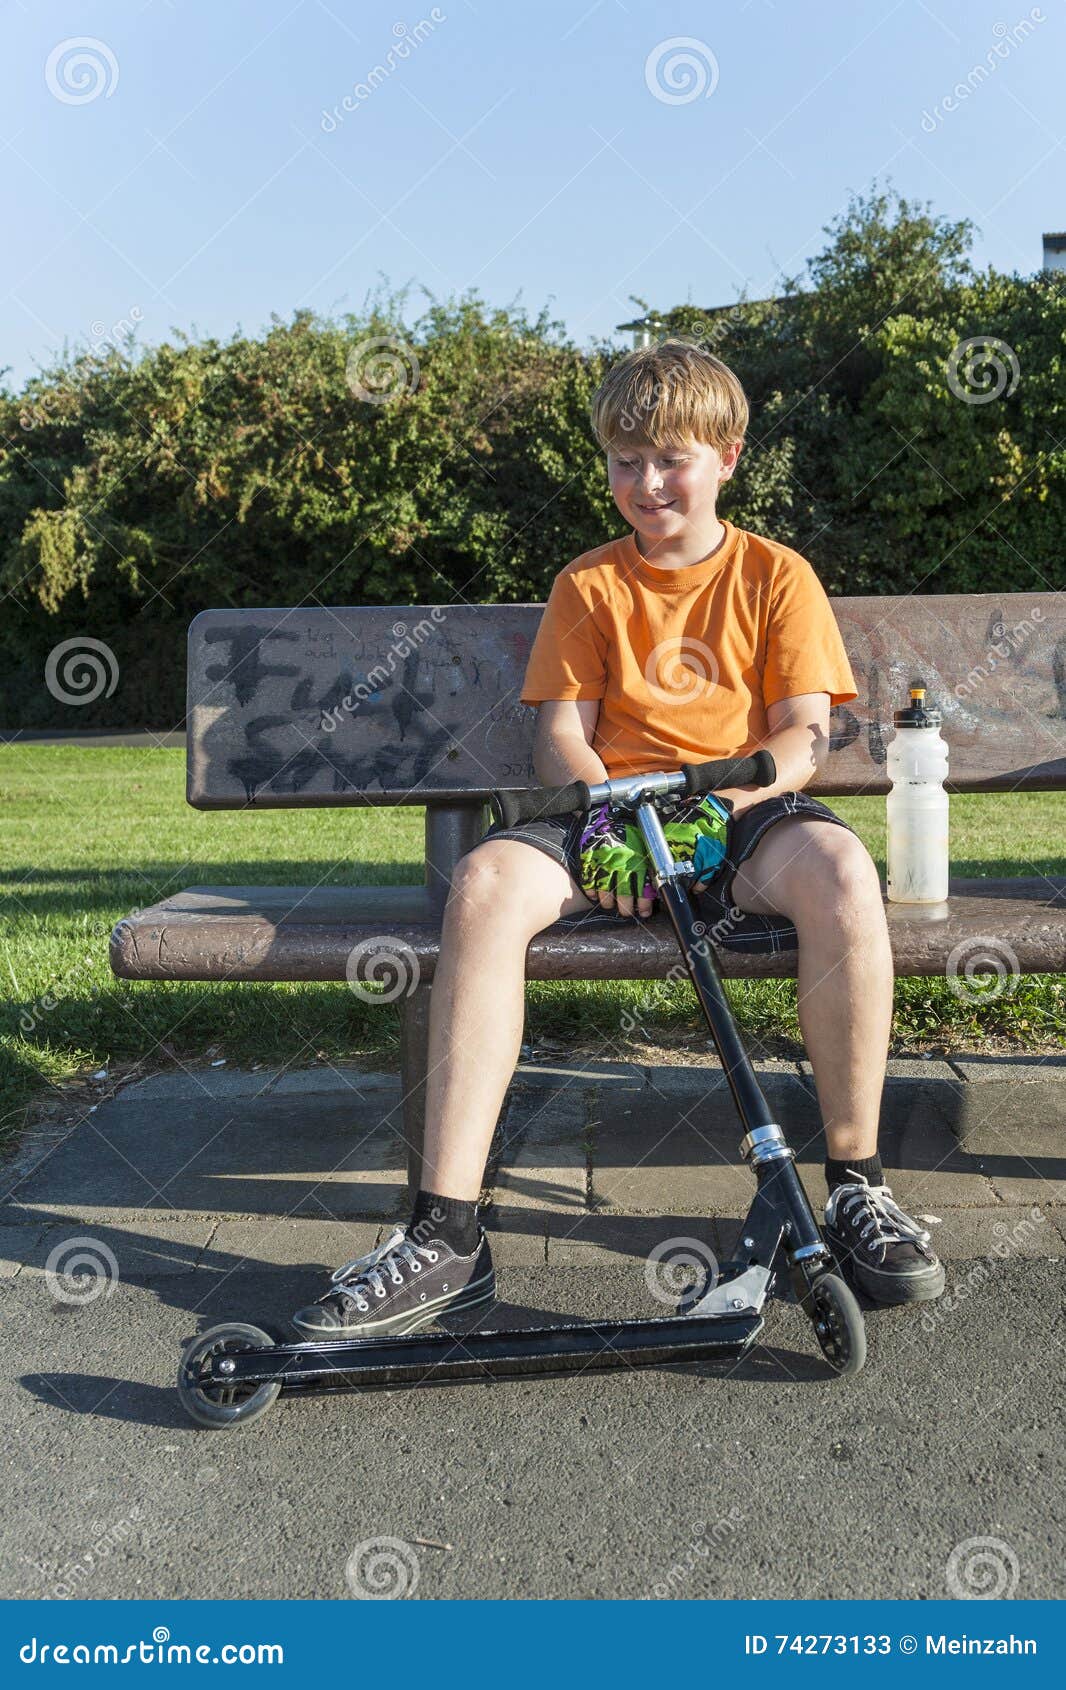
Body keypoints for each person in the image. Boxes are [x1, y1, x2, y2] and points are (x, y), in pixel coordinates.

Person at [292, 339, 944, 1338]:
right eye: (624, 461)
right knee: (481, 889)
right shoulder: (589, 586)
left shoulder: (775, 575)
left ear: (726, 456)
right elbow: (559, 732)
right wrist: (610, 814)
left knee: (845, 872)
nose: (645, 482)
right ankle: (446, 1234)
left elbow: (801, 732)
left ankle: (856, 1186)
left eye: (670, 457)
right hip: (605, 813)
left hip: (735, 810)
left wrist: (709, 813)